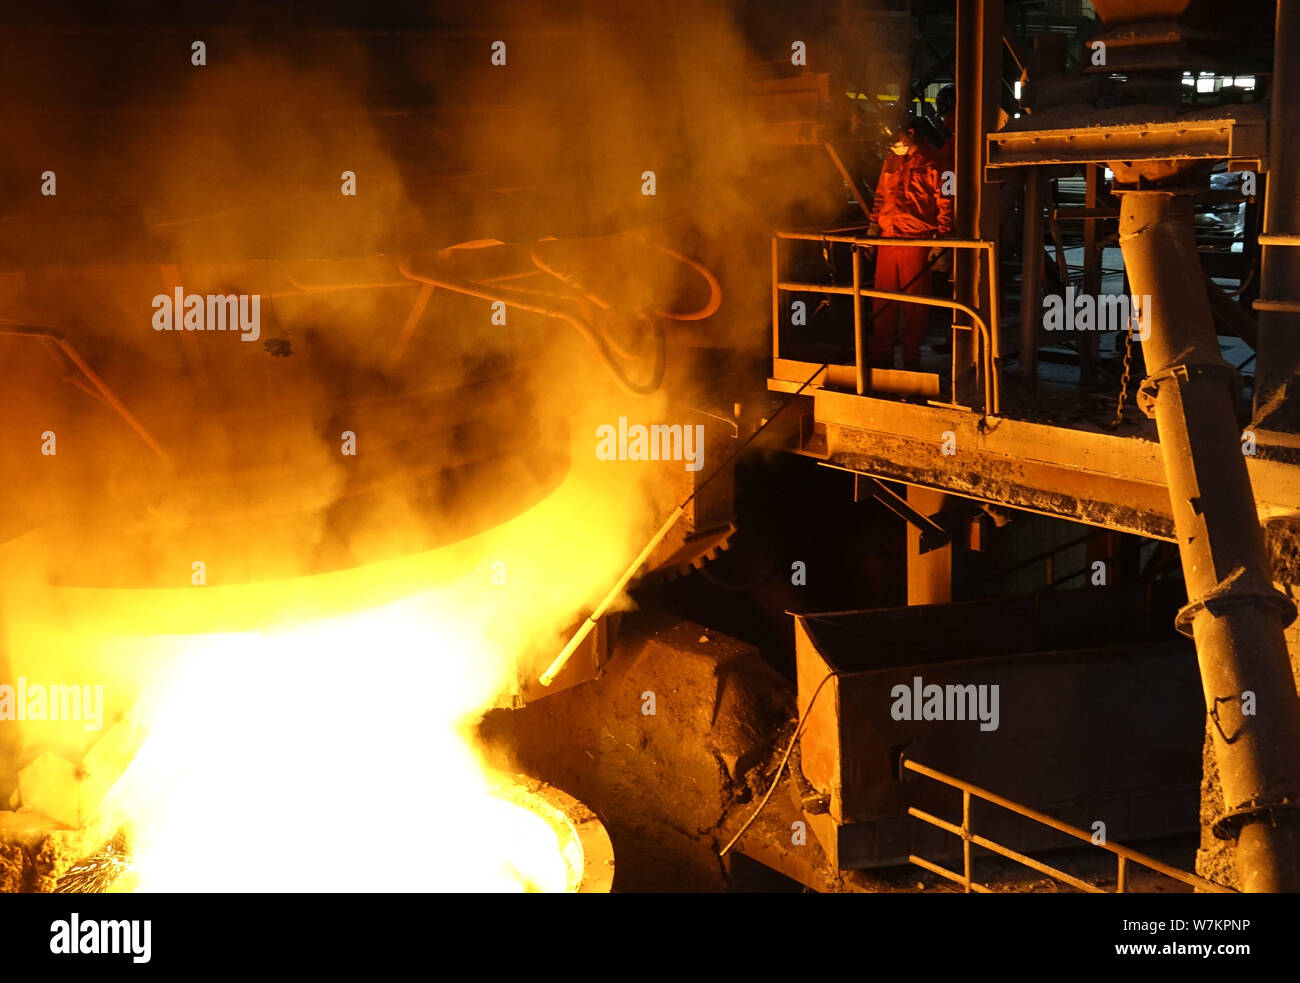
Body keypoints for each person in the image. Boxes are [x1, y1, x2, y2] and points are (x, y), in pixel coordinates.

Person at [866, 114, 953, 371]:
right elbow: (881, 194)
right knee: (882, 300)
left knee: (914, 304)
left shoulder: (939, 162)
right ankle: (880, 354)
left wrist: (943, 237)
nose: (895, 144)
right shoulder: (892, 160)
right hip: (889, 238)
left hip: (917, 240)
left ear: (912, 133)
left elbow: (948, 200)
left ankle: (910, 357)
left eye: (898, 138)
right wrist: (873, 226)